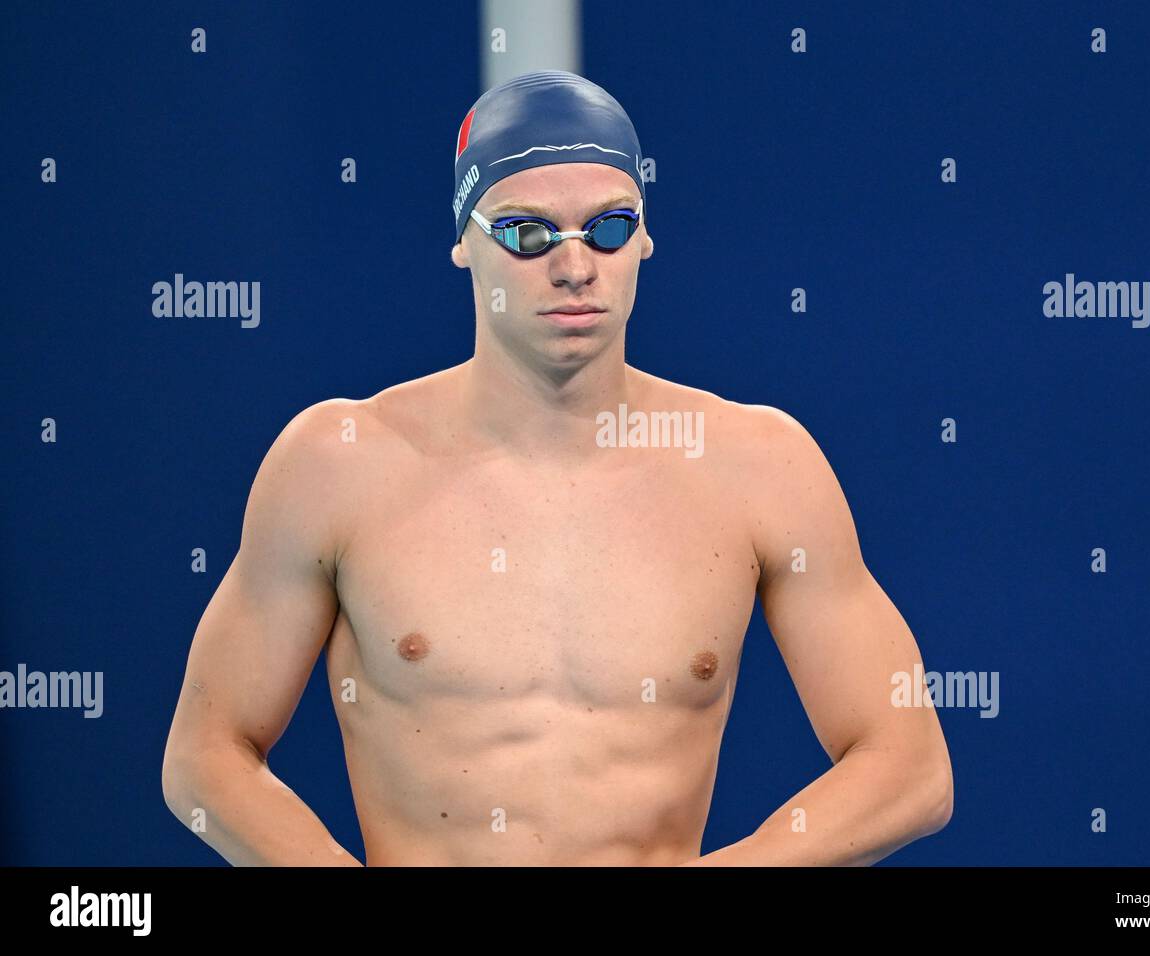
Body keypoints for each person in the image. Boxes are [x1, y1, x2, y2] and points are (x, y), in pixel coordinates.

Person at [161, 69, 953, 866]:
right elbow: (205, 756)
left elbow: (910, 764)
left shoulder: (759, 467)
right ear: (463, 243)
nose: (575, 267)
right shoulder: (339, 463)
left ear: (645, 238)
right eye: (527, 233)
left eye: (607, 228)